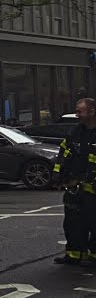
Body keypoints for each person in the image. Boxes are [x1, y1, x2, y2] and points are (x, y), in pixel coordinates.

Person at [52, 97, 96, 266]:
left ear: (92, 112)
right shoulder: (76, 132)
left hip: (93, 189)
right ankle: (74, 255)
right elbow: (64, 153)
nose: (77, 115)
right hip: (75, 187)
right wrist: (58, 174)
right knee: (73, 223)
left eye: (80, 111)